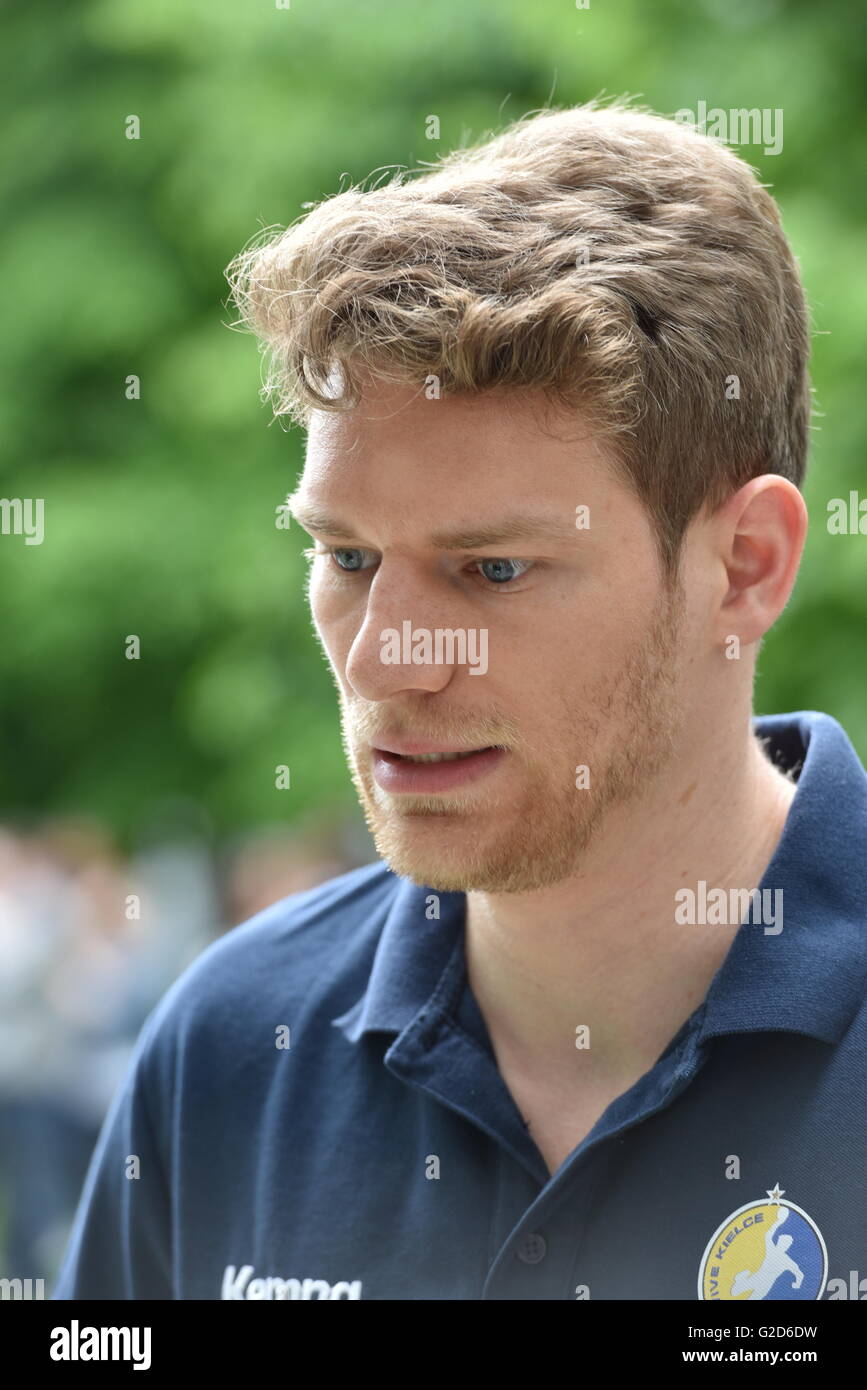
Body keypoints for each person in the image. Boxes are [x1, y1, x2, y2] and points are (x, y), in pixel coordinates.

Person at [54, 100, 865, 1301]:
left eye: (492, 569)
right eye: (347, 557)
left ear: (744, 565)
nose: (387, 658)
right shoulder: (230, 1044)